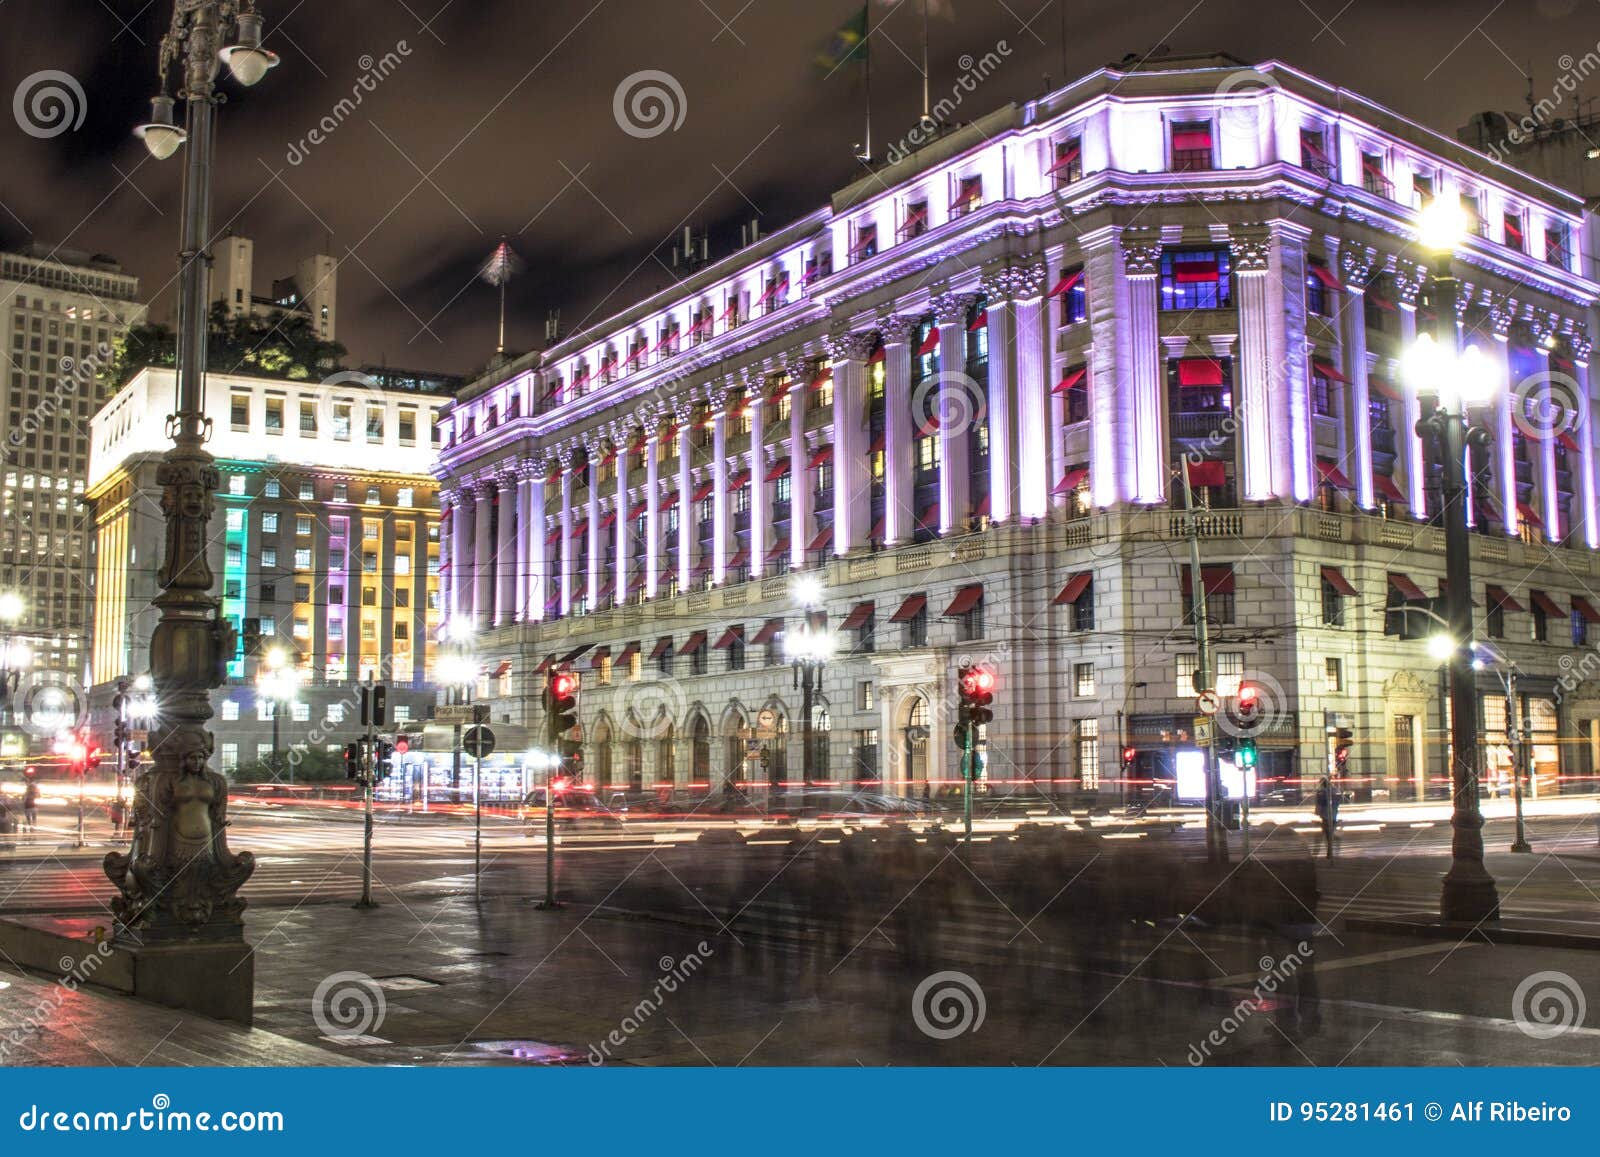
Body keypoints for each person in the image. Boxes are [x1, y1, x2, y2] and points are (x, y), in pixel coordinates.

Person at [1312, 775, 1339, 859]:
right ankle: (1329, 852)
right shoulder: (1334, 790)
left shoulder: (1321, 792)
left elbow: (1319, 805)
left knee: (1325, 835)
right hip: (1333, 815)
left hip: (1325, 816)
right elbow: (1337, 802)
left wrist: (1317, 813)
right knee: (1328, 834)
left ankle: (1324, 854)